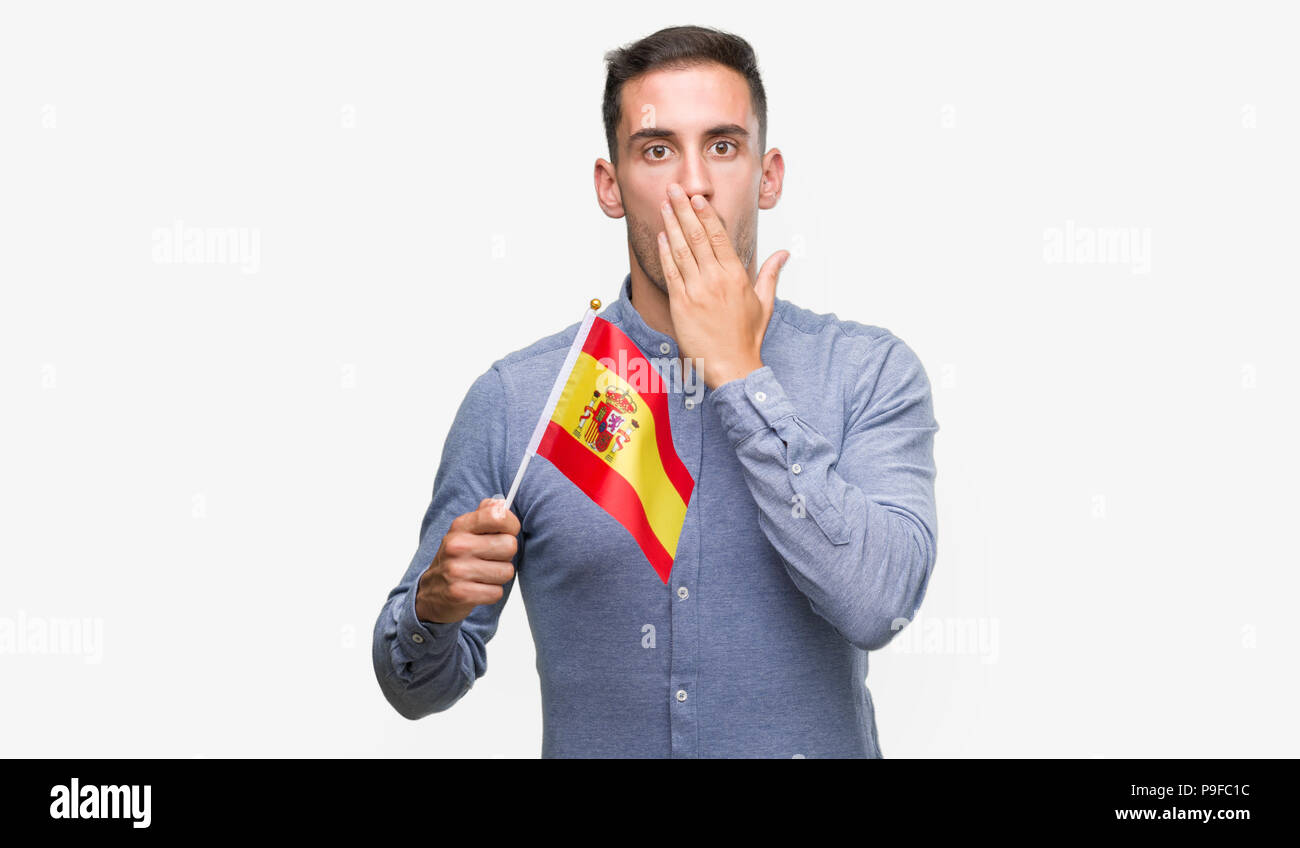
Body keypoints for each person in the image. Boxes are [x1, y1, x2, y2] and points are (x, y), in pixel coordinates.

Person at [371, 24, 939, 758]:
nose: (693, 183)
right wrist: (433, 606)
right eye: (658, 149)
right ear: (611, 186)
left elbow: (881, 605)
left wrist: (739, 372)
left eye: (724, 146)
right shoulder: (522, 400)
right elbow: (413, 687)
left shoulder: (869, 373)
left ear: (768, 177)